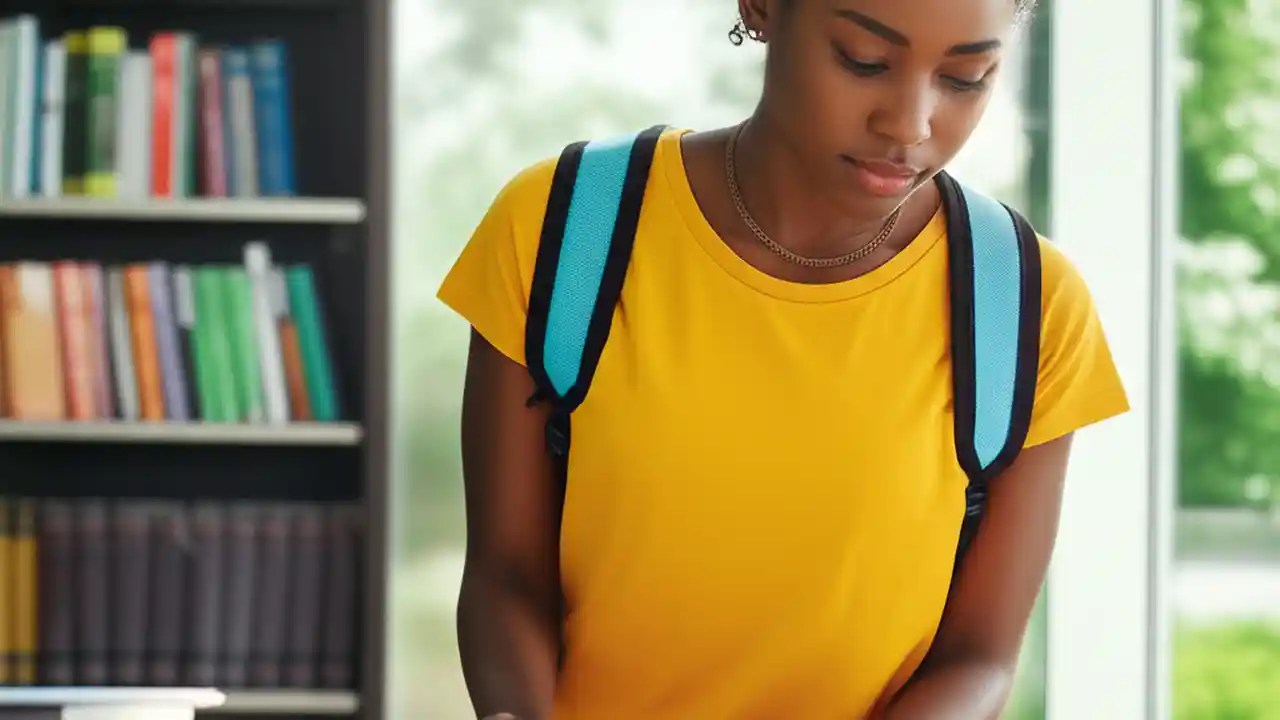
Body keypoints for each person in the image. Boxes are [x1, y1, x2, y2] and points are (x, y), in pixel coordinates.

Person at [437, 0, 1130, 717]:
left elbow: (979, 657)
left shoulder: (1025, 303)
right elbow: (506, 576)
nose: (909, 124)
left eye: (966, 77)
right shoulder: (566, 230)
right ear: (763, 7)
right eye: (864, 59)